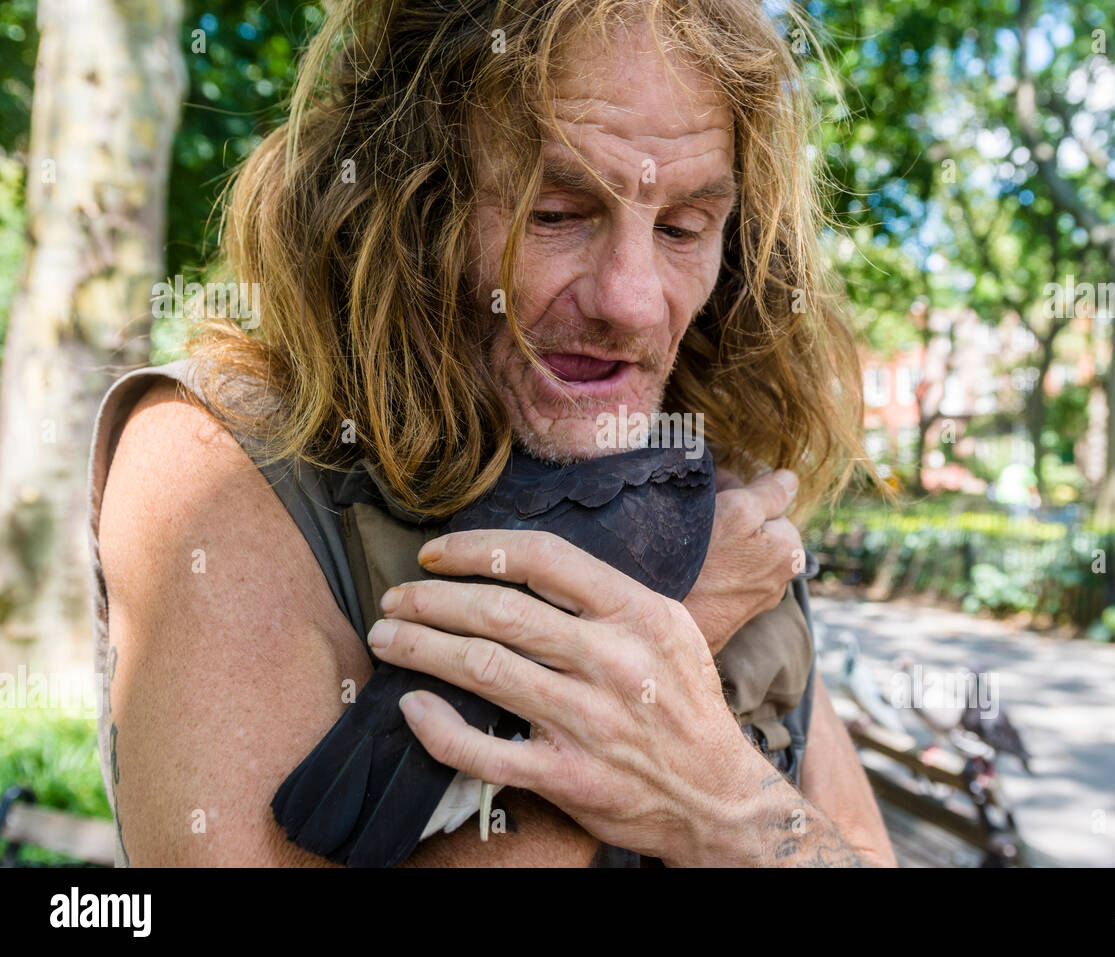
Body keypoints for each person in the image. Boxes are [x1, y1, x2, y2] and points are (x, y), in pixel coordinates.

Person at [89, 0, 895, 866]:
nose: (630, 299)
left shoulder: (732, 489)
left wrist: (736, 806)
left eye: (681, 228)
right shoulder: (220, 457)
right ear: (413, 201)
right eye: (554, 214)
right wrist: (668, 654)